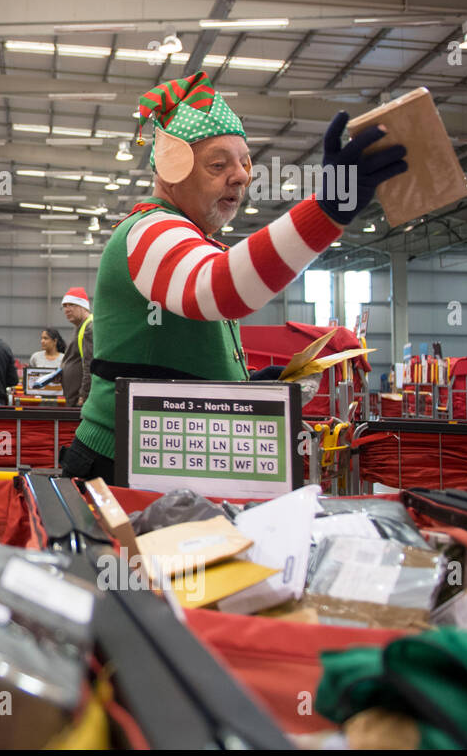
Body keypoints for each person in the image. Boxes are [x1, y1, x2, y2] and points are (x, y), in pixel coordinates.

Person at [62, 71, 408, 481]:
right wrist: (327, 209)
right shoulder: (150, 230)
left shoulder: (190, 239)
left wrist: (241, 386)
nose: (242, 176)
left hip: (162, 460)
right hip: (125, 465)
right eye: (218, 164)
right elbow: (217, 289)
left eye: (244, 162)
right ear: (173, 168)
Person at [59, 287, 94, 409]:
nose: (67, 309)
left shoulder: (89, 329)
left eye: (71, 305)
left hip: (80, 401)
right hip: (74, 397)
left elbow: (89, 364)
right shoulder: (80, 328)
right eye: (65, 306)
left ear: (83, 306)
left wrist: (84, 394)